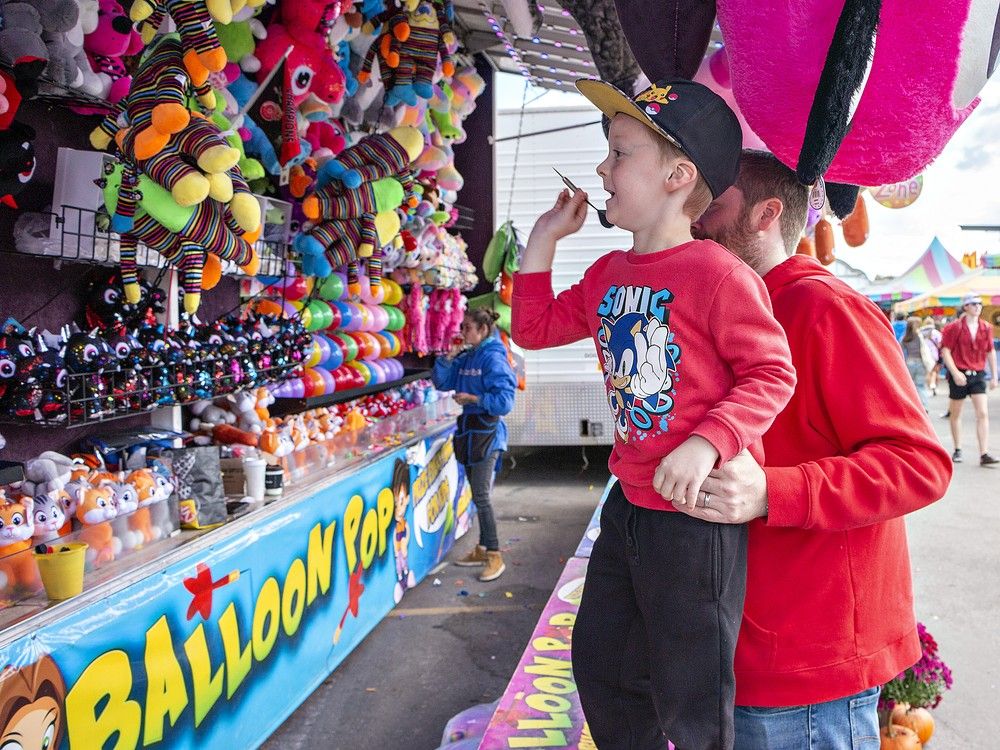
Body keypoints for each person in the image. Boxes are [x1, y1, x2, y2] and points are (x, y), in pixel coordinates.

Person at [512, 79, 797, 750]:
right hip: (629, 507)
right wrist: (545, 238)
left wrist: (707, 443)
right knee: (603, 664)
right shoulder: (609, 272)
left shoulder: (720, 274)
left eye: (618, 153)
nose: (602, 170)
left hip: (693, 525)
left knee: (693, 697)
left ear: (677, 176)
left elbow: (772, 372)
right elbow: (533, 328)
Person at [686, 150, 952, 749]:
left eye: (713, 203)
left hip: (805, 662)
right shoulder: (724, 308)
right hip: (742, 641)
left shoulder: (822, 307)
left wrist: (769, 492)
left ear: (765, 215)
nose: (696, 220)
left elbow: (919, 465)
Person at [432, 308, 517, 581]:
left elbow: (505, 402)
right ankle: (482, 549)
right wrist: (448, 356)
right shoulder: (468, 355)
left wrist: (474, 399)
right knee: (476, 494)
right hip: (469, 436)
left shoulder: (493, 358)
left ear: (482, 329)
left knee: (481, 496)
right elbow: (442, 381)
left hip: (488, 437)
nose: (462, 332)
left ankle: (495, 555)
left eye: (467, 327)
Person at [940, 294, 999, 465]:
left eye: (979, 304)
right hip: (959, 372)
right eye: (973, 304)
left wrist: (994, 376)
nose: (977, 307)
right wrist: (955, 372)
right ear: (966, 306)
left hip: (978, 373)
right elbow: (946, 351)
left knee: (982, 413)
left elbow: (990, 351)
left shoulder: (986, 327)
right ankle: (957, 449)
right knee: (956, 413)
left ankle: (984, 453)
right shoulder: (954, 327)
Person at [900, 315, 931, 410]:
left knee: (909, 386)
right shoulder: (921, 336)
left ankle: (911, 406)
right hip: (920, 363)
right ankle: (924, 406)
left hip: (909, 363)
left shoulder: (905, 337)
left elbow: (900, 350)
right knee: (921, 385)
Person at [920, 316, 943, 395]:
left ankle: (929, 386)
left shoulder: (920, 332)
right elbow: (940, 344)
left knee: (928, 372)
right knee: (935, 371)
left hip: (924, 355)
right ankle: (933, 385)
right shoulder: (935, 332)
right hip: (934, 354)